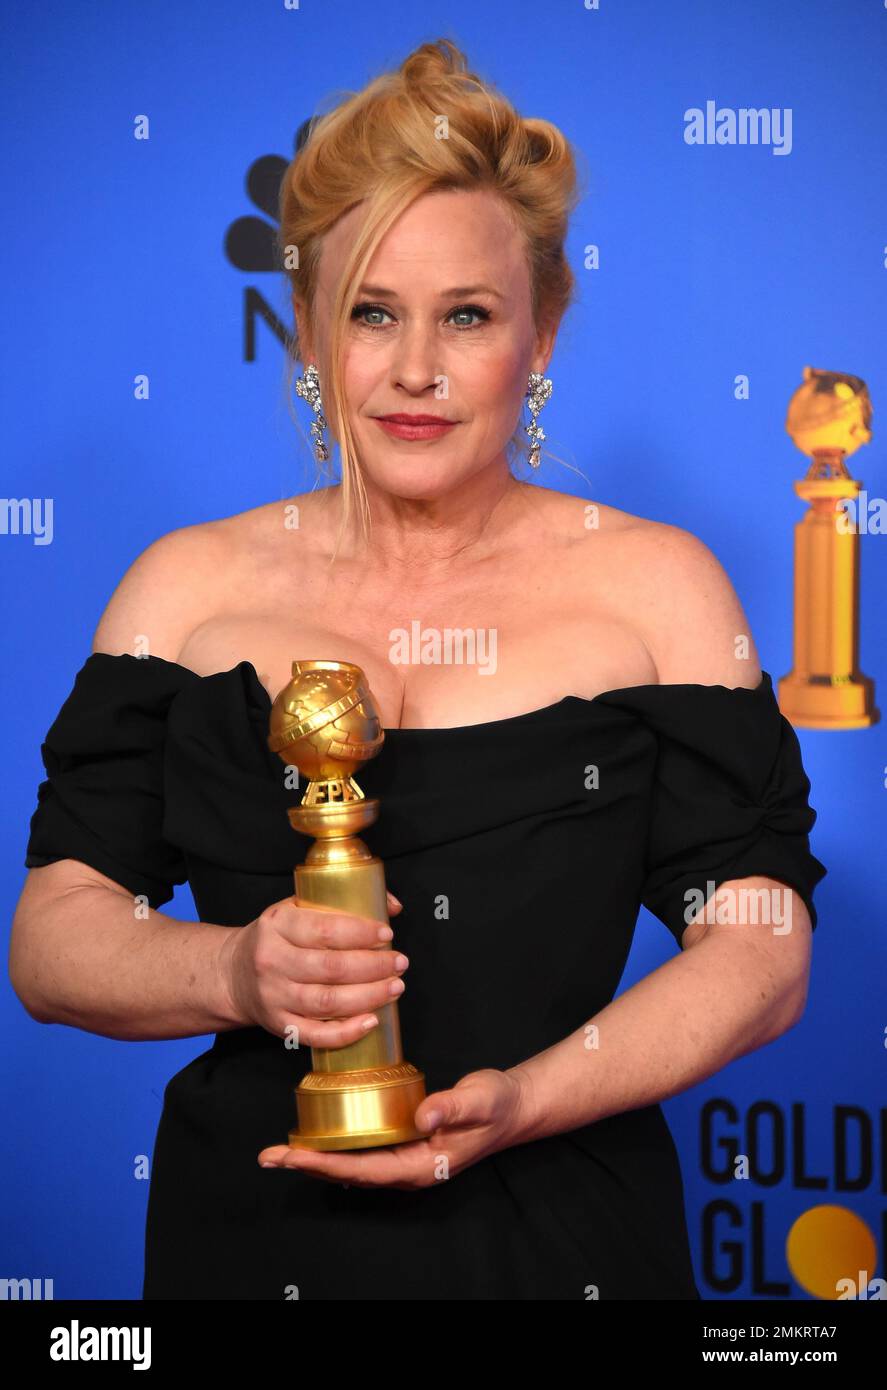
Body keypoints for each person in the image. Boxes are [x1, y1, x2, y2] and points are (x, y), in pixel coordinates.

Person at [11, 37, 827, 1300]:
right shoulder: (182, 589)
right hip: (248, 1234)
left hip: (566, 1234)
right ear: (303, 329)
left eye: (467, 315)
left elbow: (759, 943)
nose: (413, 372)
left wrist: (530, 1101)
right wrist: (229, 970)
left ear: (542, 329)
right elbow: (56, 939)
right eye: (370, 313)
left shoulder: (659, 588)